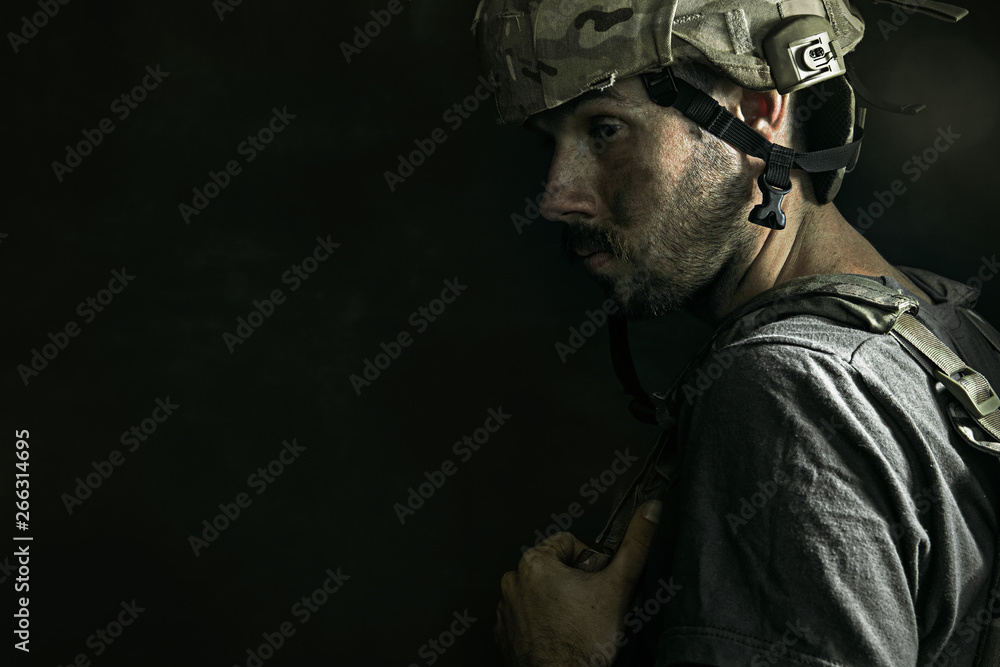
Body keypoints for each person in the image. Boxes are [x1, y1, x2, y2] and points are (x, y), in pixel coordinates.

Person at [472, 0, 1000, 665]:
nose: (557, 196)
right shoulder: (953, 332)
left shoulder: (786, 390)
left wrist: (555, 656)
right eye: (550, 144)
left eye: (605, 130)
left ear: (757, 110)